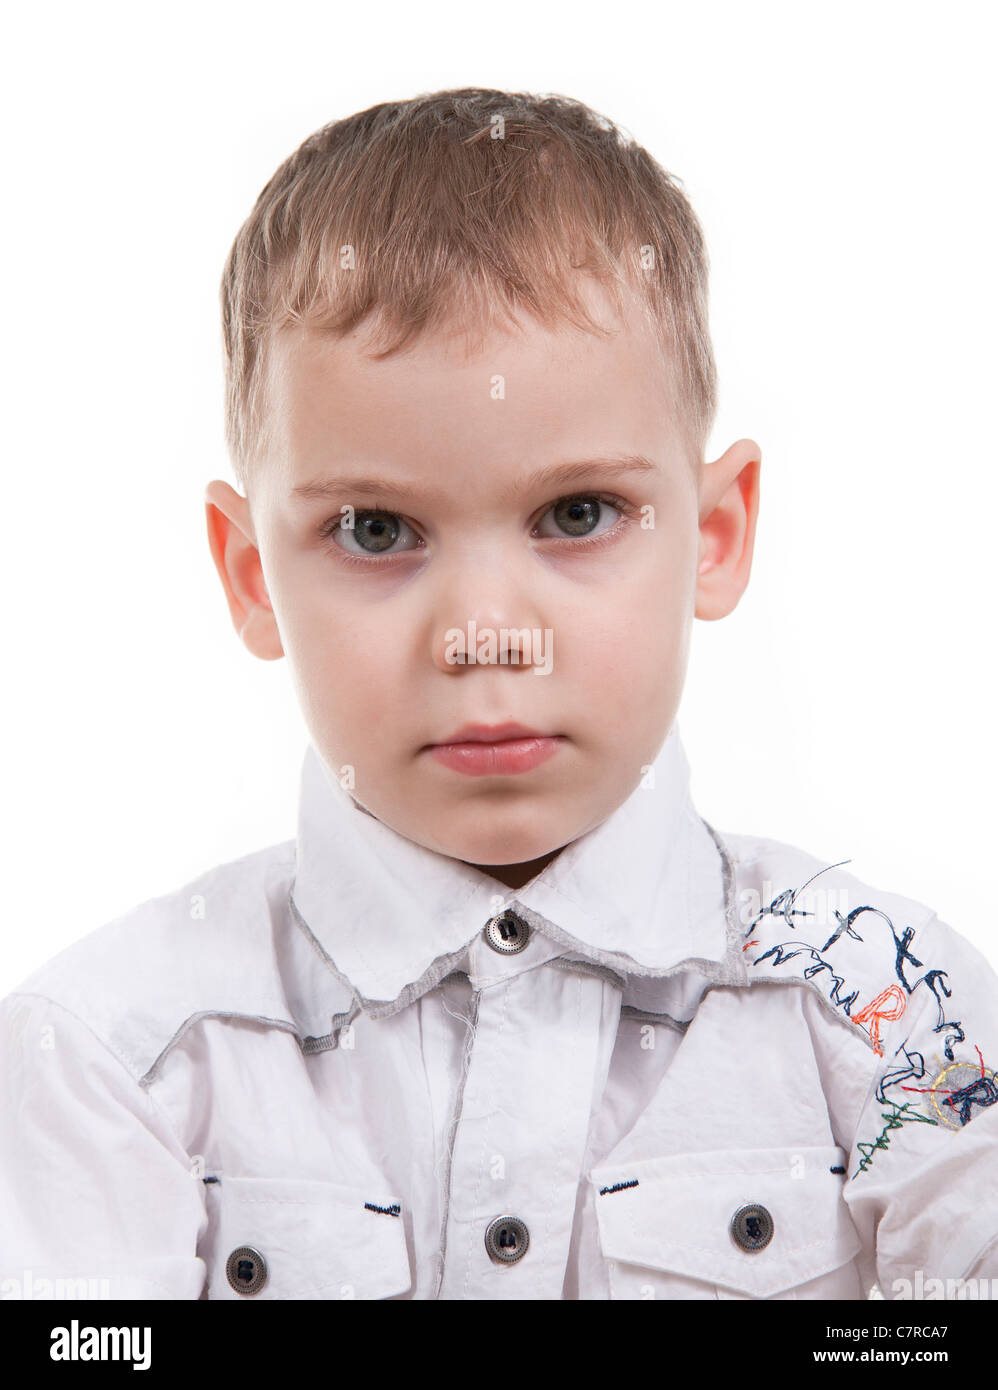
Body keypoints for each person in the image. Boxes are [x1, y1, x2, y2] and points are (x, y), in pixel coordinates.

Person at [1, 88, 996, 1302]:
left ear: (717, 533)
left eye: (576, 514)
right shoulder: (114, 1063)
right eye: (375, 529)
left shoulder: (893, 1013)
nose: (483, 635)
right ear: (251, 575)